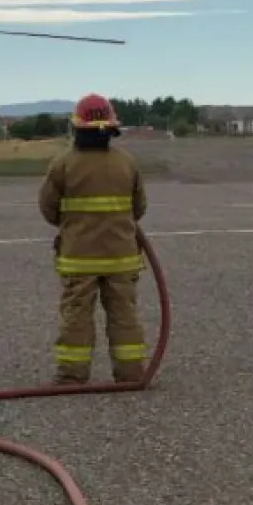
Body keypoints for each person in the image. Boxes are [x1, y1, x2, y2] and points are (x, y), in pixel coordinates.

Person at [37, 93, 149, 385]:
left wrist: (75, 225)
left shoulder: (62, 165)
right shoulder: (127, 163)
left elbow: (49, 210)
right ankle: (130, 374)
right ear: (111, 129)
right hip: (121, 258)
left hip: (79, 259)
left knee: (76, 317)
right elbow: (139, 209)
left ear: (77, 128)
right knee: (124, 315)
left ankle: (72, 376)